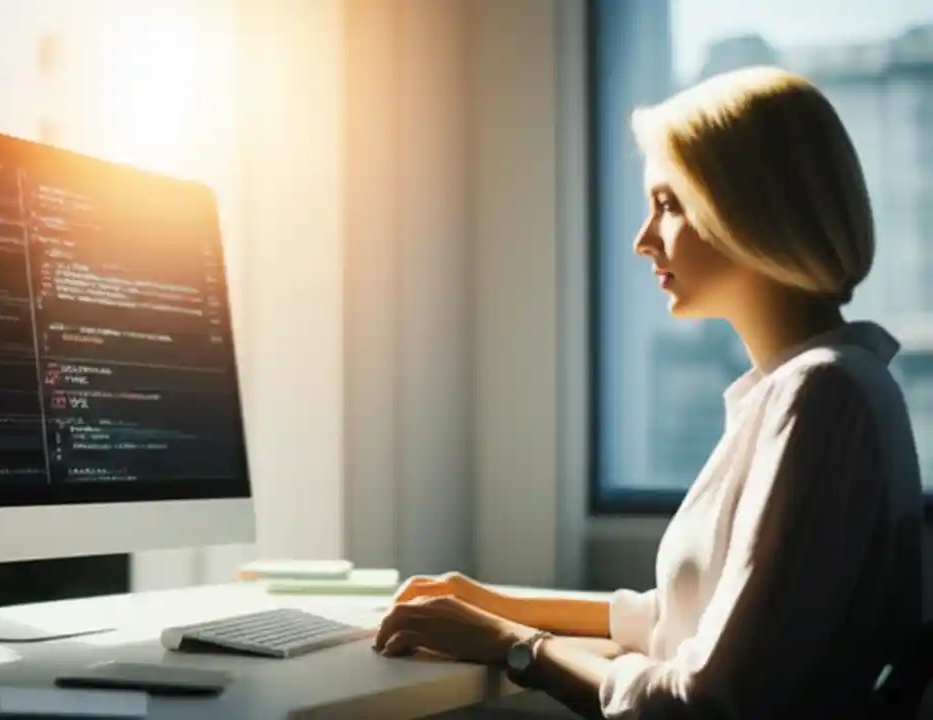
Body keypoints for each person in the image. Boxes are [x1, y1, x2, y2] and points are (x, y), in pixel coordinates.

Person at [373, 66, 923, 718]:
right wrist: (492, 603)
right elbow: (682, 617)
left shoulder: (821, 395)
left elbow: (701, 704)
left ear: (749, 211)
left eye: (667, 205)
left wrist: (512, 645)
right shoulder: (824, 385)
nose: (642, 241)